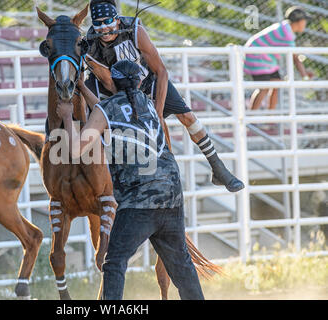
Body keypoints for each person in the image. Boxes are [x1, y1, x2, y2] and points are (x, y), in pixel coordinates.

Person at [57, 59, 205, 300]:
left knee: (114, 262)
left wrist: (66, 117)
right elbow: (108, 113)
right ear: (138, 81)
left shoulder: (110, 109)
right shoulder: (147, 103)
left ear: (113, 81)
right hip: (171, 197)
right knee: (182, 266)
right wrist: (83, 89)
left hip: (139, 202)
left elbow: (76, 149)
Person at [84, 0, 244, 193]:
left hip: (150, 79)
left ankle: (218, 167)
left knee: (187, 116)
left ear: (117, 19)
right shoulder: (89, 46)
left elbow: (161, 71)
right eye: (98, 23)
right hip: (117, 89)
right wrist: (140, 110)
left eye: (108, 20)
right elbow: (110, 83)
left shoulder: (134, 29)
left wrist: (157, 113)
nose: (104, 27)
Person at [244, 6, 314, 110]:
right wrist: (305, 76)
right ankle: (252, 120)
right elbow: (294, 58)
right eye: (304, 21)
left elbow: (293, 57)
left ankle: (270, 117)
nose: (305, 24)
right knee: (264, 87)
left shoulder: (285, 28)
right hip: (256, 57)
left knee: (276, 83)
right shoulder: (286, 33)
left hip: (266, 59)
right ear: (298, 21)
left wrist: (304, 73)